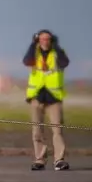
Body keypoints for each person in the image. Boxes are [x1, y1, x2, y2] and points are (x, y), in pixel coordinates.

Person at [23, 30, 70, 171]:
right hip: (37, 96)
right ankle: (40, 159)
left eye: (48, 39)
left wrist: (56, 46)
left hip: (53, 97)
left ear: (52, 40)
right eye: (42, 39)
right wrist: (33, 44)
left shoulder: (57, 54)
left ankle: (59, 160)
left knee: (57, 130)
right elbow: (27, 61)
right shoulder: (34, 53)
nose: (45, 41)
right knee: (37, 130)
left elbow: (64, 63)